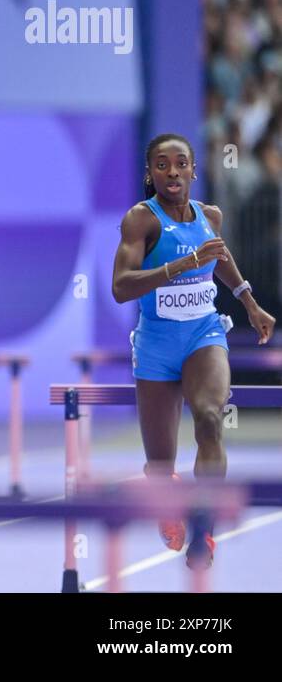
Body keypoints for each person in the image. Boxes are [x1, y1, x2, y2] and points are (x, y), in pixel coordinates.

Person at [111, 133, 275, 570]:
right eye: (161, 165)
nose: (172, 172)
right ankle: (169, 500)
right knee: (160, 467)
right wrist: (180, 265)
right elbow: (120, 287)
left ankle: (203, 528)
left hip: (204, 334)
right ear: (150, 174)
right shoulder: (140, 221)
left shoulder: (210, 216)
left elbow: (219, 258)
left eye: (180, 163)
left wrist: (249, 302)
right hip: (156, 344)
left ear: (193, 170)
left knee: (208, 418)